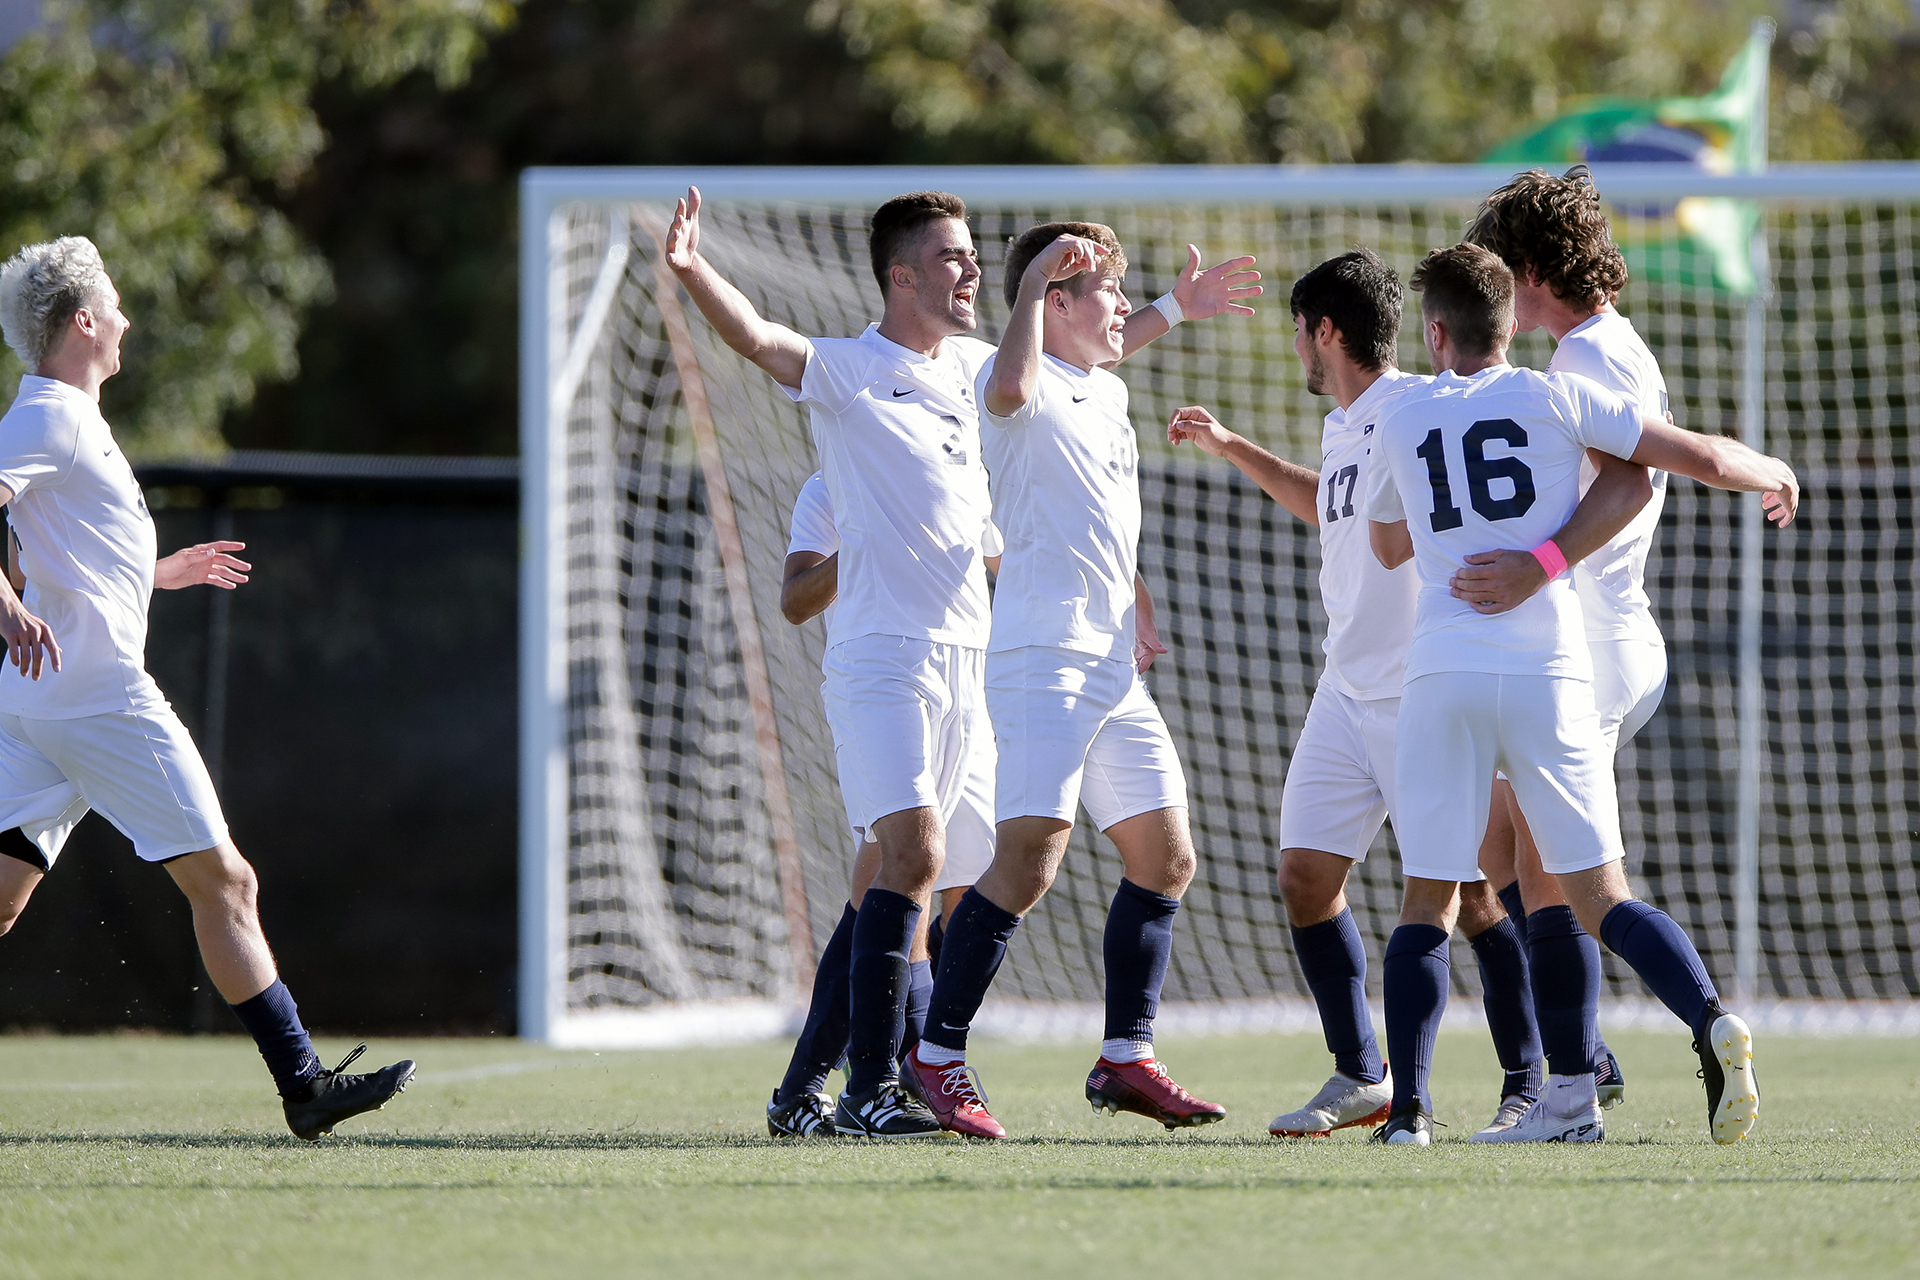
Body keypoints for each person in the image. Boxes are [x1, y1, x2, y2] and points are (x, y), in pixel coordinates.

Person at [663, 187, 1250, 1137]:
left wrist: (1173, 310)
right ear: (901, 276)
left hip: (969, 663)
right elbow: (763, 339)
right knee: (915, 859)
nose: (970, 270)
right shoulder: (853, 370)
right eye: (949, 257)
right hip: (882, 658)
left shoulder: (980, 364)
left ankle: (806, 1091)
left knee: (918, 880)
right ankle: (874, 1091)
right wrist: (692, 269)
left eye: (976, 255)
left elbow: (1081, 354)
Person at [1165, 250, 1651, 1139]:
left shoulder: (1414, 406)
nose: (1297, 357)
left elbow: (1421, 528)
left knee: (1469, 901)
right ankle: (1363, 1073)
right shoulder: (1344, 424)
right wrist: (1234, 447)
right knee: (1305, 876)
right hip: (1344, 688)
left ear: (1323, 332)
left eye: (1298, 336)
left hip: (1419, 689)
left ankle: (1531, 1077)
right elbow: (1338, 509)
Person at [1362, 242, 1795, 1146]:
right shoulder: (1558, 395)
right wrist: (1772, 472)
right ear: (1512, 324)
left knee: (1428, 898)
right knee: (1594, 894)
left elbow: (1389, 546)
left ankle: (1408, 1117)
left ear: (1433, 333)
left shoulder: (1397, 409)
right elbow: (1689, 460)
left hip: (1443, 670)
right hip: (1550, 671)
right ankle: (1702, 1021)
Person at [0, 235, 414, 1140]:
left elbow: (65, 564)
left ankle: (303, 1083)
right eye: (113, 306)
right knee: (227, 883)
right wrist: (3, 608)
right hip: (101, 701)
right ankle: (303, 1084)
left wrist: (154, 570)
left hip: (37, 707)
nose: (126, 320)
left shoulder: (62, 419)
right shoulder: (52, 416)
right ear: (82, 322)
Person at [902, 221, 1259, 1138]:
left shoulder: (1099, 387)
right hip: (1038, 659)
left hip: (1108, 664)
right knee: (1026, 864)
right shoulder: (1010, 376)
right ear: (1054, 301)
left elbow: (1107, 347)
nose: (1120, 309)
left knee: (1167, 856)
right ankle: (934, 1055)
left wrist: (1180, 305)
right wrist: (1029, 289)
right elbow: (1022, 380)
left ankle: (1126, 1058)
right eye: (1101, 289)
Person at [1450, 163, 1683, 1117]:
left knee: (1570, 881)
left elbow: (1631, 481)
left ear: (1534, 267)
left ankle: (1625, 1058)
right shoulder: (1601, 347)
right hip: (1595, 638)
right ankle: (1581, 1051)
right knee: (1489, 851)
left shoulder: (1583, 363)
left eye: (1504, 265)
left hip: (1587, 645)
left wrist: (1537, 563)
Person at [765, 472, 996, 1137]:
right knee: (904, 870)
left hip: (967, 692)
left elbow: (1004, 561)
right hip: (883, 684)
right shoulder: (830, 487)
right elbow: (795, 600)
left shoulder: (959, 473)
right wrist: (867, 545)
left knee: (934, 885)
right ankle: (875, 1079)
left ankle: (820, 1088)